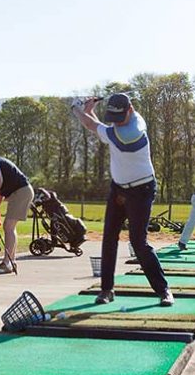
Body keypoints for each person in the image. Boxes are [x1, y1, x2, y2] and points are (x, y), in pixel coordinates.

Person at [72, 93, 174, 306]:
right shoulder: (121, 126)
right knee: (109, 237)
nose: (116, 122)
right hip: (118, 189)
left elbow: (94, 127)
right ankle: (107, 290)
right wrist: (89, 111)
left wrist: (77, 109)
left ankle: (164, 290)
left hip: (142, 190)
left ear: (130, 109)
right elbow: (102, 129)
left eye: (119, 117)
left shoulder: (133, 133)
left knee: (139, 242)